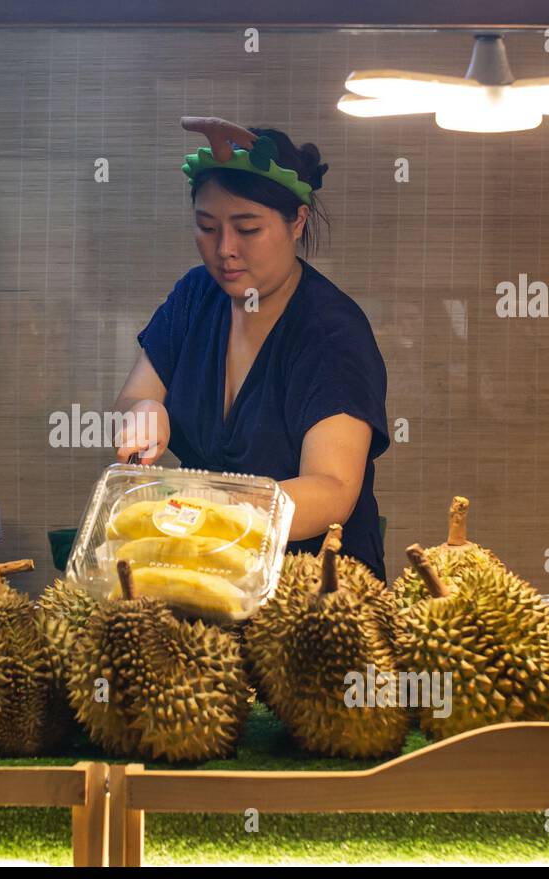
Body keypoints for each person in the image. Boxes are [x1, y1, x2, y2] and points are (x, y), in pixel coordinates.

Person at [114, 116, 390, 579]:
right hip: (210, 572)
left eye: (247, 229)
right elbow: (131, 398)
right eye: (207, 227)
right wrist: (143, 410)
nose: (224, 249)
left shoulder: (331, 334)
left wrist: (214, 510)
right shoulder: (196, 296)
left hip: (314, 592)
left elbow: (333, 487)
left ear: (296, 221)